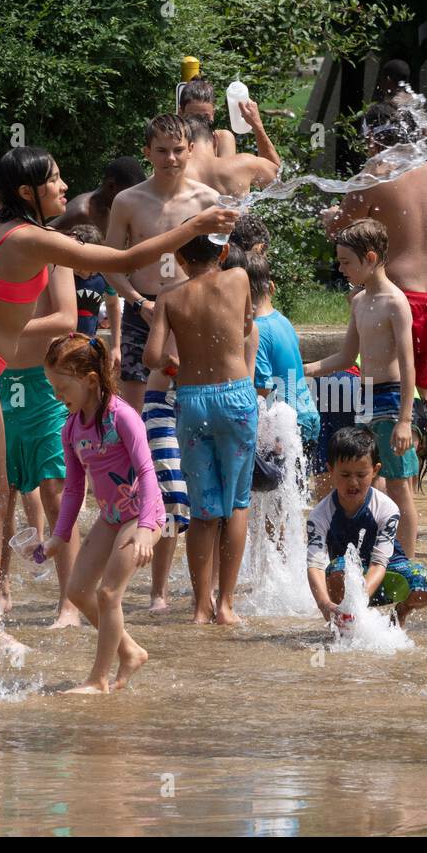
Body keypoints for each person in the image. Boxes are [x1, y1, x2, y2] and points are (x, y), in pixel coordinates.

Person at [0, 146, 236, 646]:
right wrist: (194, 224)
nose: (64, 186)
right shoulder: (33, 239)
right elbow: (125, 258)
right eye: (54, 180)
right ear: (28, 191)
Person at [106, 115, 221, 611]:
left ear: (190, 150)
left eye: (179, 149)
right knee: (139, 443)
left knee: (183, 445)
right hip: (142, 312)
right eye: (162, 150)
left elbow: (223, 268)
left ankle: (172, 586)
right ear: (147, 151)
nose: (172, 158)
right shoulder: (129, 201)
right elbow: (111, 262)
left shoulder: (206, 200)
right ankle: (131, 573)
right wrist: (137, 302)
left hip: (188, 316)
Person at [144, 229, 256, 626]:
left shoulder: (170, 297)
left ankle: (198, 608)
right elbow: (246, 326)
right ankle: (226, 605)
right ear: (224, 250)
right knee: (237, 504)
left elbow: (153, 355)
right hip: (236, 397)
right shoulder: (239, 278)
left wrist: (180, 362)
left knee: (203, 509)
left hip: (192, 402)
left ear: (178, 254)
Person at [42, 334, 162, 693]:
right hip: (111, 518)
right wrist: (59, 537)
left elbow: (147, 471)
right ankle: (129, 651)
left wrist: (143, 529)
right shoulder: (71, 428)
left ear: (90, 380)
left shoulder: (123, 417)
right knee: (78, 591)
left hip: (142, 514)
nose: (57, 395)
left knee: (109, 594)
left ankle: (98, 679)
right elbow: (75, 489)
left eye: (62, 386)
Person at [323, 101, 427, 408]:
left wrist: (330, 216)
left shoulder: (373, 177)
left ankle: (388, 441)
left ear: (372, 139)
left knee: (385, 379)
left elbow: (339, 233)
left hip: (397, 295)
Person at [305, 219, 420, 557]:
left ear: (370, 257)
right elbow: (345, 356)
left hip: (392, 396)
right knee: (373, 481)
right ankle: (380, 552)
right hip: (365, 397)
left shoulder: (395, 302)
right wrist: (305, 369)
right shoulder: (359, 301)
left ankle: (408, 562)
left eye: (345, 262)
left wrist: (405, 420)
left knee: (399, 485)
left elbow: (408, 363)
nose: (340, 269)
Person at [0, 260, 79, 628]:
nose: (63, 195)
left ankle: (69, 603)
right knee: (0, 493)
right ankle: (0, 588)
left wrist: (13, 325)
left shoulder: (54, 255)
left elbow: (66, 319)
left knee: (56, 491)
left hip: (45, 386)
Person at [306, 426, 427, 627]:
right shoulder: (319, 515)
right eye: (345, 474)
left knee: (425, 583)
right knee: (339, 568)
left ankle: (399, 613)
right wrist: (324, 604)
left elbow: (379, 564)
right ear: (331, 470)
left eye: (361, 474)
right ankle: (342, 624)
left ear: (375, 471)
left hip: (388, 571)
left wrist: (359, 600)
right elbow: (315, 565)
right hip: (346, 577)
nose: (353, 482)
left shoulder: (386, 508)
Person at [243, 250, 320, 455]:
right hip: (308, 414)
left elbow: (263, 390)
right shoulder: (283, 321)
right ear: (272, 287)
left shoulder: (256, 331)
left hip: (286, 425)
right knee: (299, 482)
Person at [178, 75, 281, 166]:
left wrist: (257, 126)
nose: (198, 124)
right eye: (192, 117)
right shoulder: (173, 143)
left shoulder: (222, 139)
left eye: (205, 117)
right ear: (180, 113)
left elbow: (274, 175)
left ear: (213, 114)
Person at [184, 116, 279, 197]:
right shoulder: (242, 164)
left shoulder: (175, 175)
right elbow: (280, 184)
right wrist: (257, 125)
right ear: (215, 140)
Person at [52, 156, 146, 236]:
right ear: (111, 186)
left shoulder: (112, 209)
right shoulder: (81, 211)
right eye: (129, 197)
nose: (132, 205)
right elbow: (43, 234)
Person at [65, 224, 120, 349]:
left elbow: (112, 304)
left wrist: (116, 346)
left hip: (88, 343)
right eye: (78, 268)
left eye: (90, 270)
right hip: (61, 343)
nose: (84, 274)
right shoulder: (60, 273)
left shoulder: (104, 275)